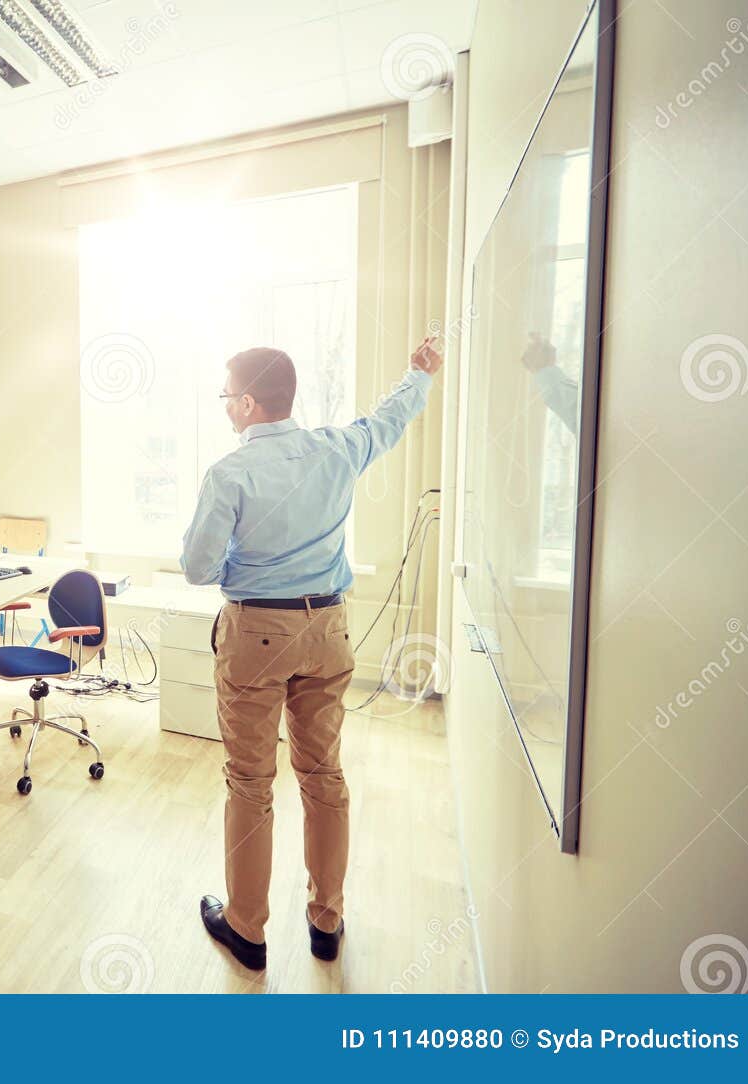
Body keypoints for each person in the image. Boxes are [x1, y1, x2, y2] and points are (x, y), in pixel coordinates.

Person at [180, 336, 443, 972]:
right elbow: (389, 421)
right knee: (323, 776)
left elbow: (197, 567)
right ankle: (327, 919)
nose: (223, 408)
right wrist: (418, 375)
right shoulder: (337, 448)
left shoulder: (230, 473)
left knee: (251, 782)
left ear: (246, 402)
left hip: (255, 637)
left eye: (225, 396)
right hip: (328, 631)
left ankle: (247, 929)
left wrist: (251, 556)